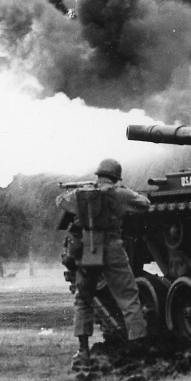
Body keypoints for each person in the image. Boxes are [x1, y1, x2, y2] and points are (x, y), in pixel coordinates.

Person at [55, 158, 152, 368]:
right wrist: (123, 192)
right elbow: (145, 204)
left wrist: (85, 193)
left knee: (83, 299)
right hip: (113, 248)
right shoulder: (119, 193)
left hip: (90, 248)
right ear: (116, 177)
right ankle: (137, 350)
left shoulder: (82, 194)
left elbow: (60, 201)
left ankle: (82, 352)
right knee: (128, 297)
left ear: (98, 175)